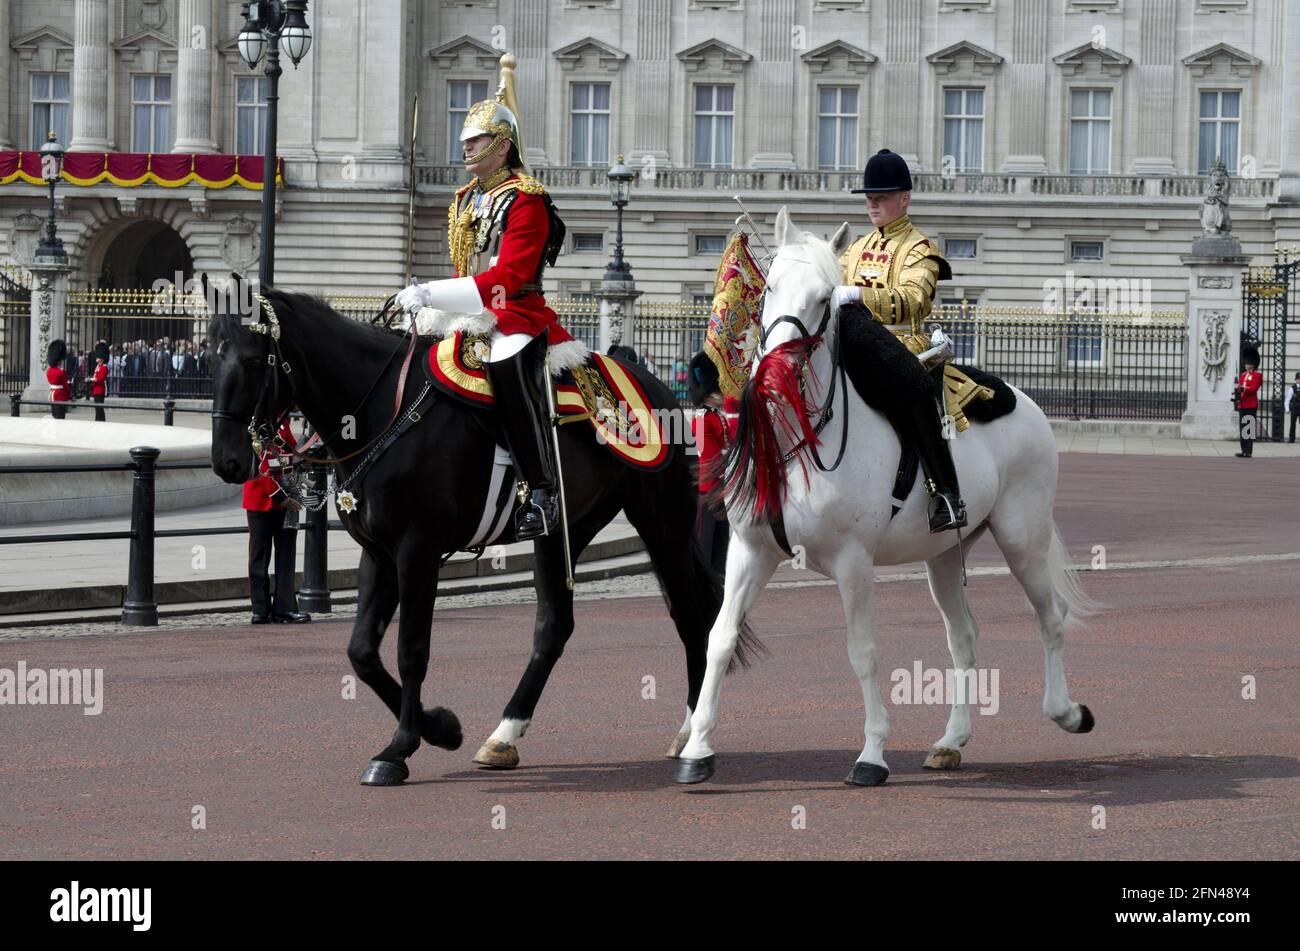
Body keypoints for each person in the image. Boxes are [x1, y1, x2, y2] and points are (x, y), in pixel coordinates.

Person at [397, 53, 570, 540]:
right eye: (465, 139)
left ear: (503, 145)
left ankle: (539, 490)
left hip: (515, 313)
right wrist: (433, 300)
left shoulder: (526, 197)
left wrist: (433, 292)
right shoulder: (466, 198)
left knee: (506, 367)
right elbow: (465, 267)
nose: (466, 146)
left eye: (476, 139)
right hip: (469, 308)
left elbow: (509, 276)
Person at [829, 148, 993, 533]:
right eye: (870, 197)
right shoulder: (853, 249)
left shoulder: (921, 250)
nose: (873, 203)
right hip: (853, 345)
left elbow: (912, 301)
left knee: (913, 393)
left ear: (905, 198)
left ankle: (946, 494)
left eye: (882, 196)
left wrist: (858, 296)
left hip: (904, 346)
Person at [242, 416, 311, 624]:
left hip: (286, 495)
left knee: (286, 556)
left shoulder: (282, 422)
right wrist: (281, 497)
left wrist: (303, 458)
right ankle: (260, 609)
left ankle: (284, 607)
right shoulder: (257, 423)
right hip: (262, 500)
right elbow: (264, 464)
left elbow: (288, 451)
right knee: (259, 557)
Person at [689, 352, 739, 579]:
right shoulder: (704, 418)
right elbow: (713, 453)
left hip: (719, 486)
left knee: (720, 539)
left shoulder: (713, 415)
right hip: (708, 488)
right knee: (704, 541)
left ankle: (717, 577)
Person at [1232, 345, 1262, 458]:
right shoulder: (1243, 375)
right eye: (1246, 363)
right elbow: (1240, 389)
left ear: (1253, 364)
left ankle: (1248, 451)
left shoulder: (1258, 375)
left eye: (1248, 363)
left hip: (1251, 405)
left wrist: (1241, 388)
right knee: (1243, 428)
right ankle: (1243, 449)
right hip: (1242, 404)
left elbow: (1253, 389)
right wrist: (1236, 389)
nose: (1246, 365)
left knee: (1249, 428)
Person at [46, 339, 71, 419]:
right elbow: (65, 386)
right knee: (60, 417)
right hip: (60, 395)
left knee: (54, 415)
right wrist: (69, 394)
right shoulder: (61, 372)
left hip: (52, 394)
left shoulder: (49, 370)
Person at [90, 343, 109, 422]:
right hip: (96, 389)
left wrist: (93, 379)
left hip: (100, 390)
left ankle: (100, 420)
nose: (96, 357)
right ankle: (99, 420)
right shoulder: (98, 366)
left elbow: (100, 379)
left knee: (99, 408)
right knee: (97, 408)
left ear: (102, 358)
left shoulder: (104, 367)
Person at [1287, 372, 1299, 444]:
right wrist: (1287, 409)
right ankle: (1291, 438)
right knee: (1292, 424)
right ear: (1296, 379)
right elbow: (1288, 399)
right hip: (1294, 408)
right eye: (1298, 379)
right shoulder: (1292, 388)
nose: (1299, 380)